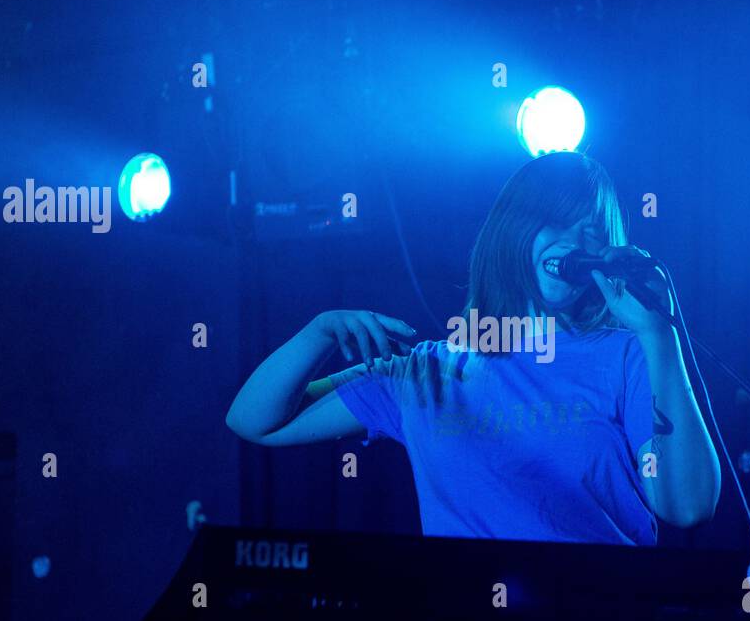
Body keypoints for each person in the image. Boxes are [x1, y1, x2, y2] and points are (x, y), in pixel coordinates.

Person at [225, 151, 720, 547]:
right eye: (556, 221)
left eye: (591, 229)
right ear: (514, 230)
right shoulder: (424, 374)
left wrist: (660, 336)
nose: (575, 241)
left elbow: (688, 505)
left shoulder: (626, 356)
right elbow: (255, 421)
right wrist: (320, 332)